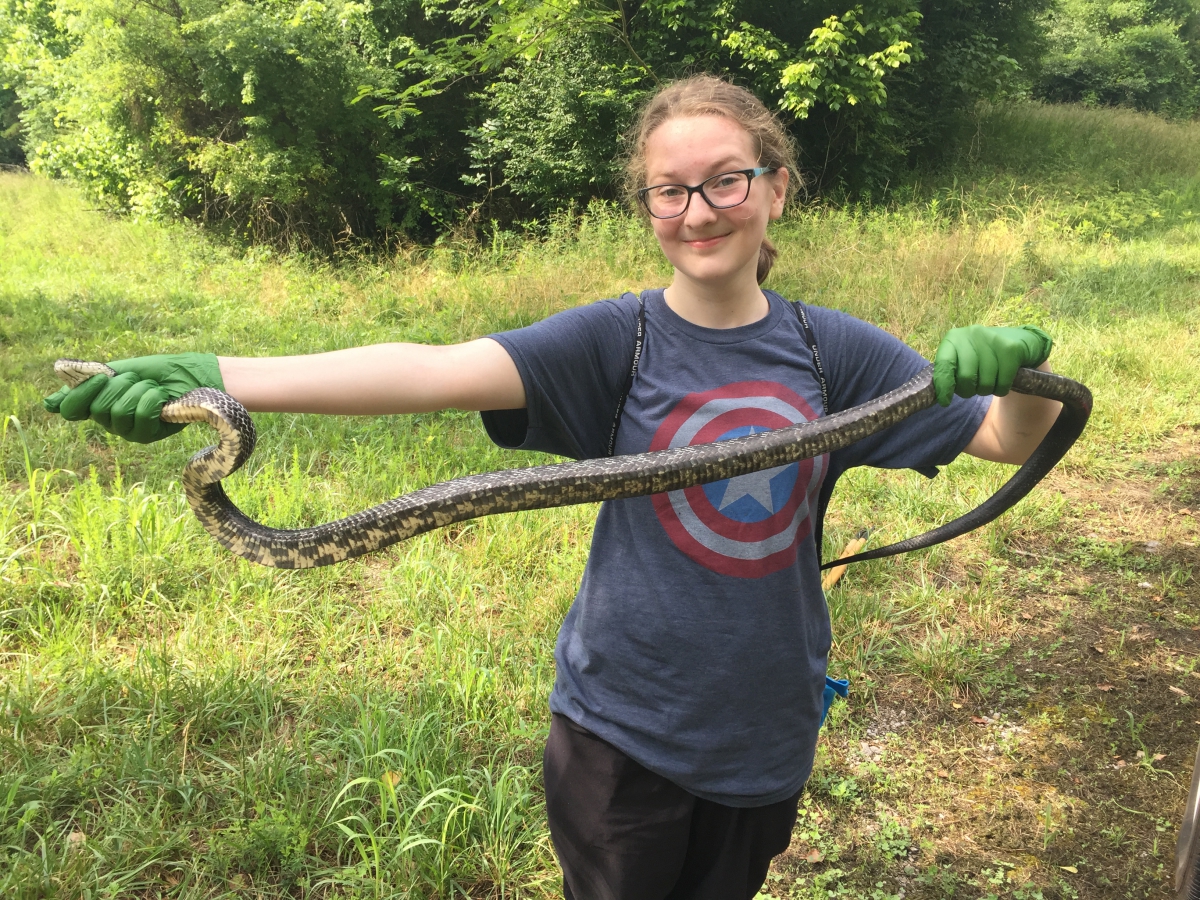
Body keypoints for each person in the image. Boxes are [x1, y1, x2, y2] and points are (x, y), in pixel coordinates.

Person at [44, 75, 1060, 900]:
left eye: (725, 181)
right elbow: (430, 369)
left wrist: (1022, 376)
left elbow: (1002, 441)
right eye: (669, 190)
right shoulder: (617, 341)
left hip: (765, 731)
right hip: (623, 734)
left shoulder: (833, 351)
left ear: (775, 189)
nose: (699, 210)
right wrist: (214, 377)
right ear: (648, 207)